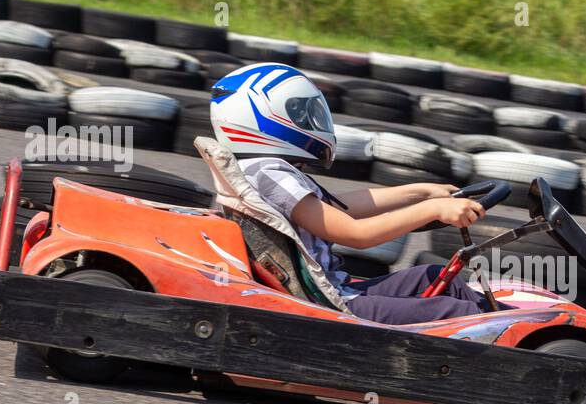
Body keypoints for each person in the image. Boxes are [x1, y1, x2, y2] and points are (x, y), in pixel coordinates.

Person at [210, 62, 495, 324]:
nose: (309, 120)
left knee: (437, 277)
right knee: (458, 314)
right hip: (336, 304)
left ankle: (525, 338)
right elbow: (355, 235)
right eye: (298, 112)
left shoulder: (265, 169)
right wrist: (433, 210)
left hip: (338, 290)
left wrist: (419, 191)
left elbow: (340, 208)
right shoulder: (267, 173)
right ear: (261, 116)